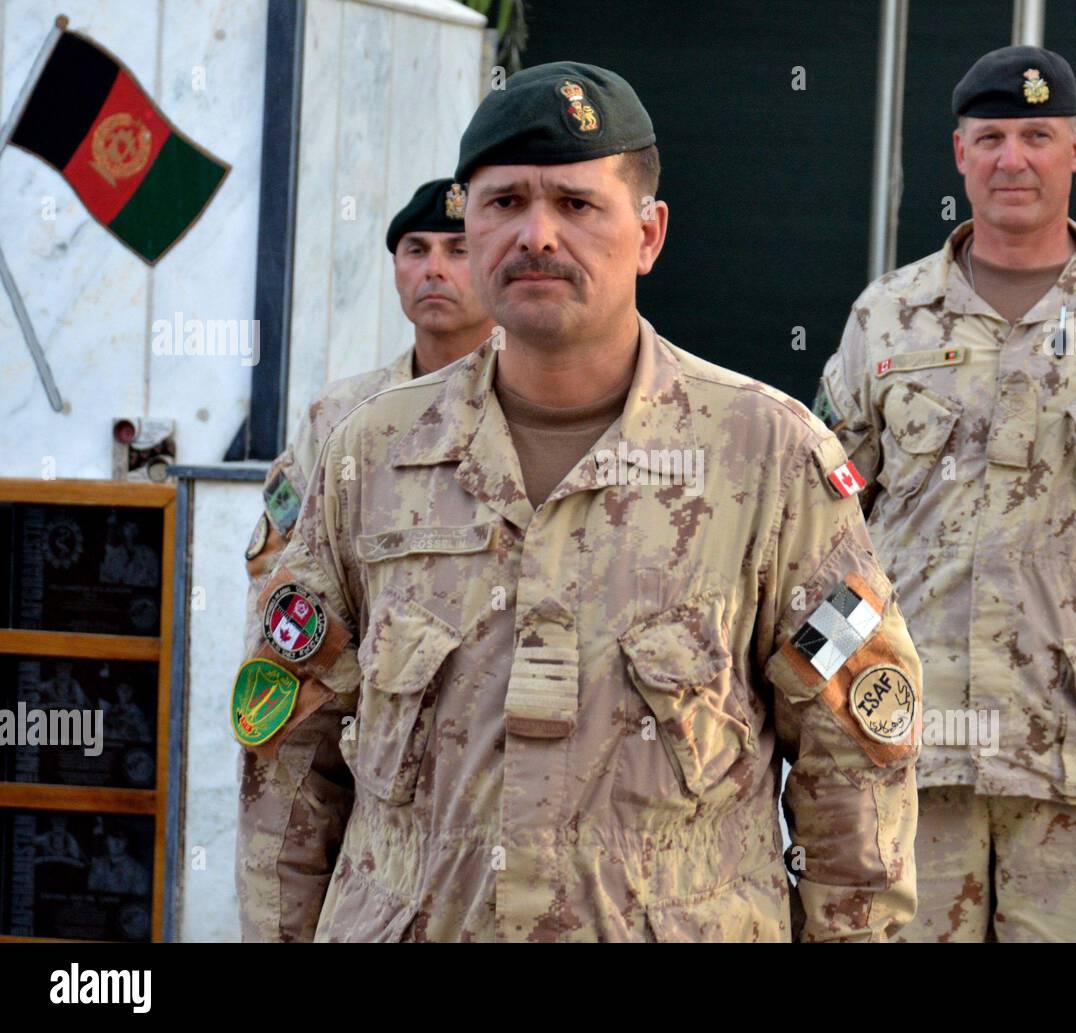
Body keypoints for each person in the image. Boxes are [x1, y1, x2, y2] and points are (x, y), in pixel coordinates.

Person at [234, 61, 923, 942]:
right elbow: (290, 751)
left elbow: (853, 756)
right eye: (504, 202)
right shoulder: (366, 454)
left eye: (576, 205)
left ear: (648, 233)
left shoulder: (770, 459)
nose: (536, 236)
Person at [815, 45, 1076, 942]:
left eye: (1037, 135)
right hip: (913, 750)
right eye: (992, 136)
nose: (1014, 158)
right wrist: (821, 707)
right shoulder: (884, 319)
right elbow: (826, 535)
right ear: (958, 153)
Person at [243, 177, 494, 611]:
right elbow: (277, 570)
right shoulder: (337, 415)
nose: (434, 268)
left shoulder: (537, 404)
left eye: (459, 250)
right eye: (416, 250)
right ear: (396, 268)